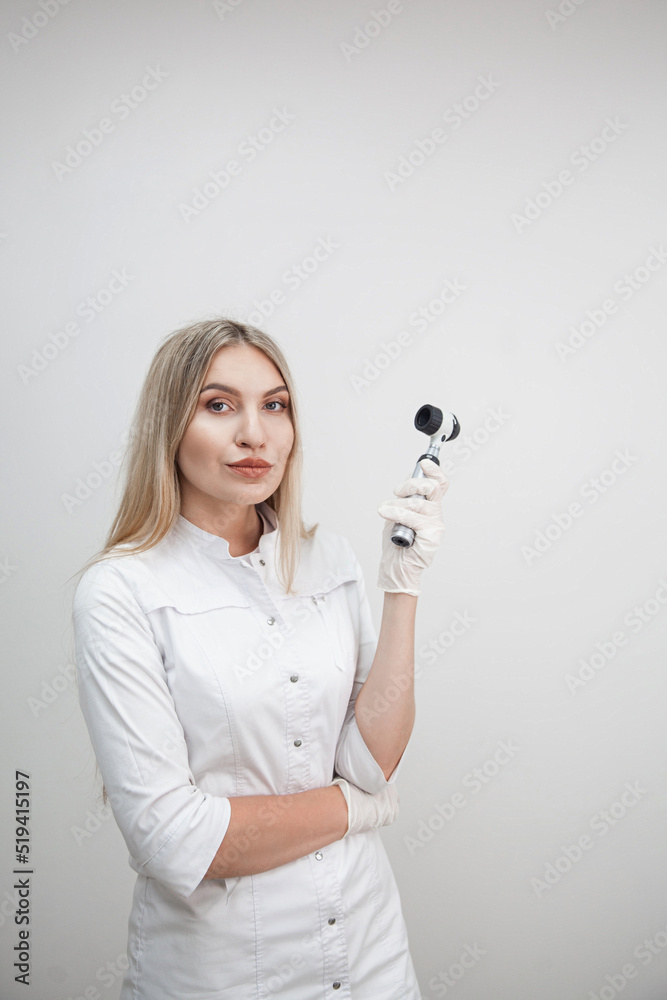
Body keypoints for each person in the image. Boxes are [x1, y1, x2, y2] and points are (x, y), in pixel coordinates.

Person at [71, 317, 449, 999]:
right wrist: (359, 810)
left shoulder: (325, 557)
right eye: (219, 406)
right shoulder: (121, 591)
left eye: (274, 405)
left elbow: (371, 762)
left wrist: (402, 587)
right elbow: (177, 840)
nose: (255, 434)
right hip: (223, 973)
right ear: (169, 426)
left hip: (368, 958)